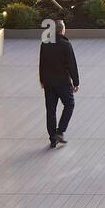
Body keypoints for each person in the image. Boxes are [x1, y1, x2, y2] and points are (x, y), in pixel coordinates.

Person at [39, 19, 79, 149]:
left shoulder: (45, 43)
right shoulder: (65, 45)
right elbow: (72, 64)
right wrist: (76, 82)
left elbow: (42, 63)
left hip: (48, 82)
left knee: (51, 110)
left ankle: (52, 138)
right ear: (62, 30)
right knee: (69, 104)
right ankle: (60, 131)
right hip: (62, 82)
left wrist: (42, 80)